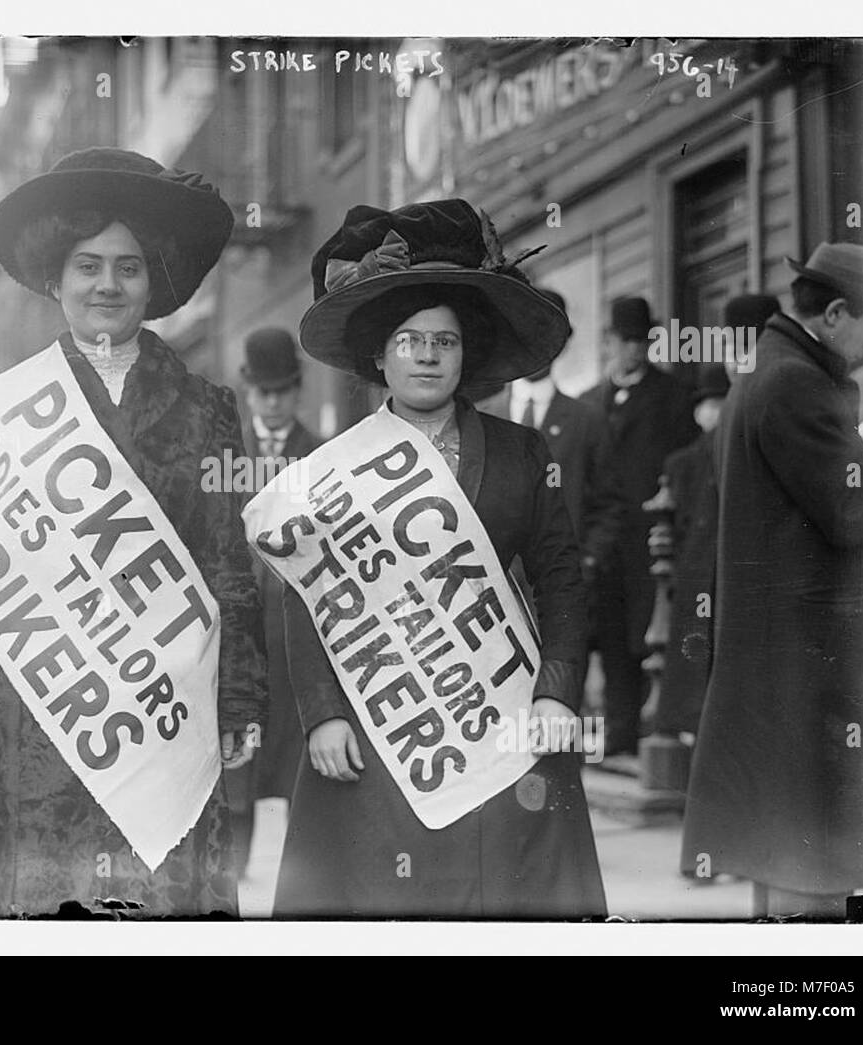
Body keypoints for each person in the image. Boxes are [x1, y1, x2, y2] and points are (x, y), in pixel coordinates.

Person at [0, 148, 268, 917]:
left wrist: (238, 699)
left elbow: (227, 563)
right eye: (87, 265)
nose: (107, 284)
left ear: (152, 281)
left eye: (127, 267)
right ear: (55, 281)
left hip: (164, 712)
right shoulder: (4, 412)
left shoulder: (208, 409)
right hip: (34, 714)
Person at [271, 199, 606, 918]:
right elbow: (307, 598)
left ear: (466, 354)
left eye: (445, 342)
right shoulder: (328, 469)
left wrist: (555, 688)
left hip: (504, 712)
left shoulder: (522, 453)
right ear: (378, 354)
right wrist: (323, 714)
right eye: (409, 339)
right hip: (384, 721)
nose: (427, 355)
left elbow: (562, 581)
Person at [681, 244, 863, 918]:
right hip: (806, 663)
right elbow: (858, 512)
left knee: (782, 857)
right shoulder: (798, 383)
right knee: (812, 862)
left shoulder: (765, 369)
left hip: (775, 660)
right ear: (836, 313)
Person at [652, 294, 780, 740]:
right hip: (708, 553)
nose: (736, 358)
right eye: (731, 346)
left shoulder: (775, 391)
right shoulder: (709, 437)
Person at [579, 297, 697, 760]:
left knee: (645, 638)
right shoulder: (590, 403)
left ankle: (655, 738)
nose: (634, 350)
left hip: (652, 544)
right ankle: (618, 737)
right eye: (625, 341)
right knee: (607, 640)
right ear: (609, 341)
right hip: (605, 544)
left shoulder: (672, 397)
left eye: (642, 341)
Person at [225, 328, 322, 873]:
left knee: (293, 745)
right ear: (249, 391)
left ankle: (298, 875)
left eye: (282, 390)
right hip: (239, 634)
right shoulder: (226, 453)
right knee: (239, 750)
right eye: (263, 392)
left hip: (295, 631)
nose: (273, 402)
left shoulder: (322, 455)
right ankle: (232, 874)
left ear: (297, 389)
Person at [476, 288, 623, 595]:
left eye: (547, 335)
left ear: (562, 345)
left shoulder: (587, 420)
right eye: (524, 334)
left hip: (562, 590)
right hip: (491, 591)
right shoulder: (482, 418)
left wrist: (588, 562)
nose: (535, 347)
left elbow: (610, 504)